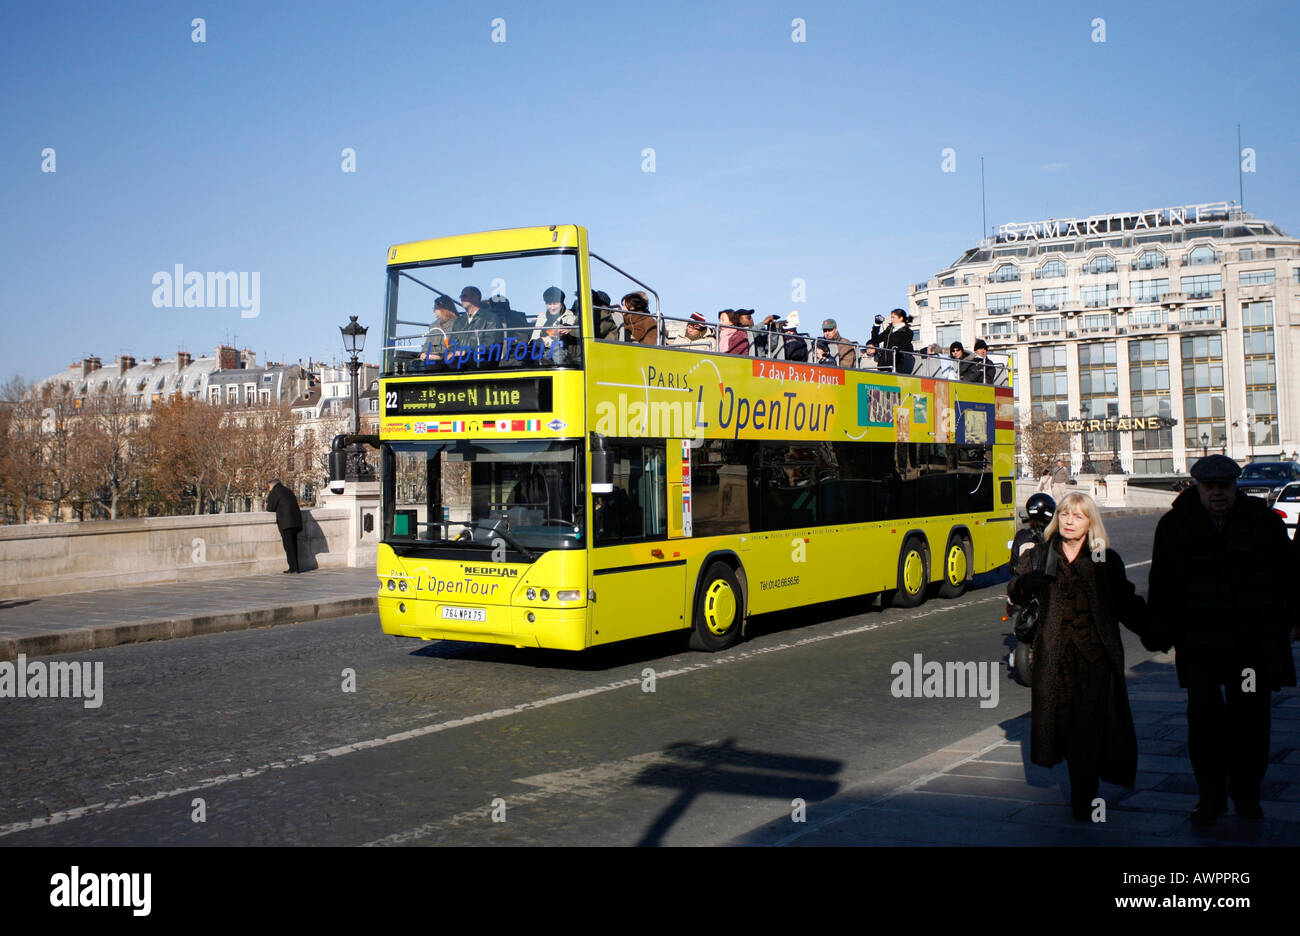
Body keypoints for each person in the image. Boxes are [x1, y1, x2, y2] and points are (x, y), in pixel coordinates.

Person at [1146, 454, 1296, 823]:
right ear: (1197, 487)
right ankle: (1210, 797)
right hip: (1199, 646)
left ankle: (1246, 796)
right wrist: (1160, 630)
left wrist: (1293, 620)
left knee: (1251, 722)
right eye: (1210, 487)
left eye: (1224, 487)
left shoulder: (1262, 522)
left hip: (1250, 647)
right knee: (1204, 721)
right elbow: (1162, 585)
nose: (1217, 494)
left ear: (1235, 486)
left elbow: (1289, 576)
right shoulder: (1175, 525)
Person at [1007, 491, 1150, 820]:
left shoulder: (1103, 559)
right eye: (1065, 515)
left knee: (1087, 729)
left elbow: (1125, 602)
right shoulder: (1040, 554)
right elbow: (1014, 592)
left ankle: (1084, 798)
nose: (1070, 521)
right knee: (1063, 728)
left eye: (1078, 516)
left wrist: (1155, 631)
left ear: (1090, 522)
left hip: (1094, 661)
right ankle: (1081, 787)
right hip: (1053, 660)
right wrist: (1027, 583)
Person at [449, 286, 503, 366]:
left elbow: (491, 342)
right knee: (435, 365)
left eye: (465, 296)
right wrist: (451, 352)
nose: (462, 299)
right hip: (460, 358)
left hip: (481, 358)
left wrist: (467, 351)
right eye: (461, 296)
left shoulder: (490, 318)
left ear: (476, 297)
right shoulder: (459, 321)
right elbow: (453, 343)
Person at [265, 478, 304, 574]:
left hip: (286, 522)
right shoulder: (288, 490)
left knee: (289, 546)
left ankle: (293, 568)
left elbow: (270, 508)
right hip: (295, 520)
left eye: (269, 487)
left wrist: (268, 499)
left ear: (272, 485)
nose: (269, 489)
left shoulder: (275, 492)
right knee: (293, 545)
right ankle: (295, 567)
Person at [419, 296, 459, 367]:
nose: (434, 311)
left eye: (435, 308)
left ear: (443, 309)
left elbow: (455, 345)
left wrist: (441, 356)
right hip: (432, 362)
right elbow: (427, 344)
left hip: (450, 361)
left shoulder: (458, 324)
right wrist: (424, 353)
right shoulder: (433, 326)